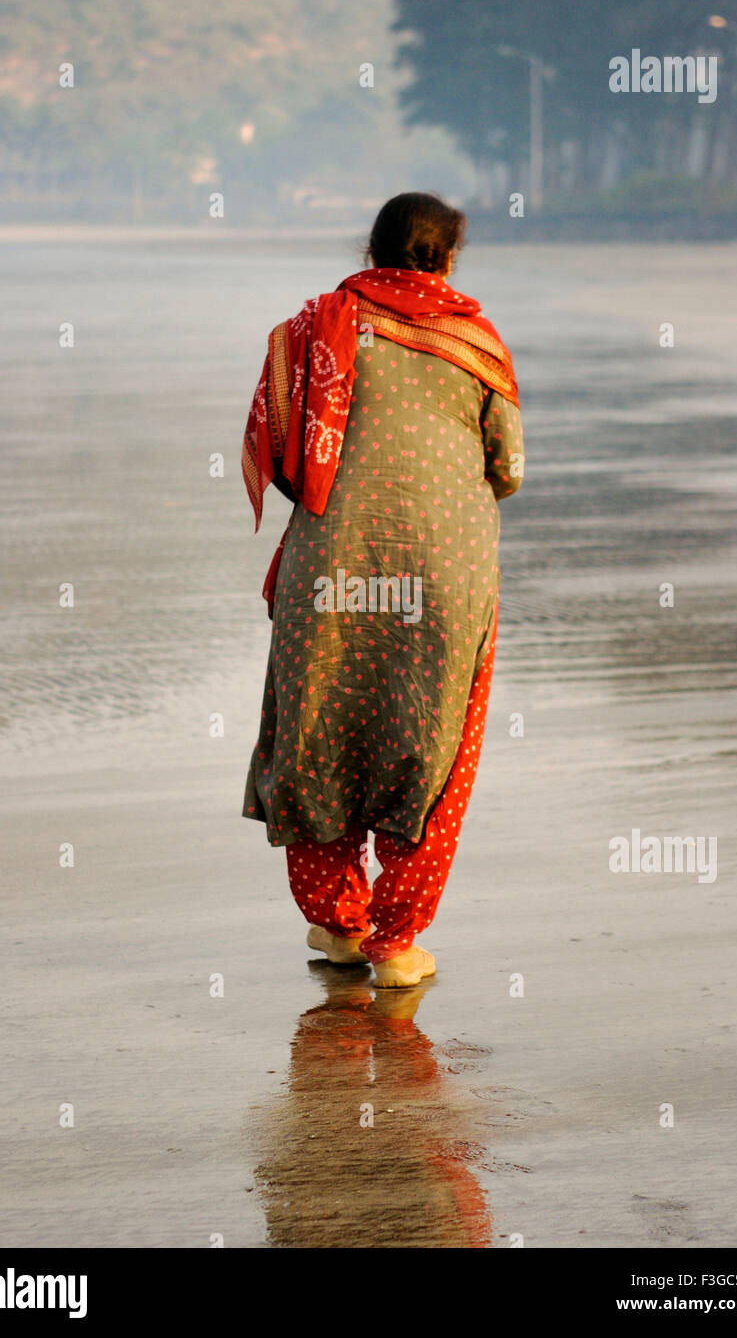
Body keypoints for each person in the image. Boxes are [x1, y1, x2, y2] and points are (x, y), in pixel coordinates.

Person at [242, 192, 523, 987]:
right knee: (428, 738)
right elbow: (509, 468)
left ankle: (337, 926)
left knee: (320, 726)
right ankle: (397, 944)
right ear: (448, 257)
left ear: (371, 249)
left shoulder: (311, 330)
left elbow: (284, 451)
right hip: (445, 569)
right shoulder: (476, 341)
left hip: (332, 563)